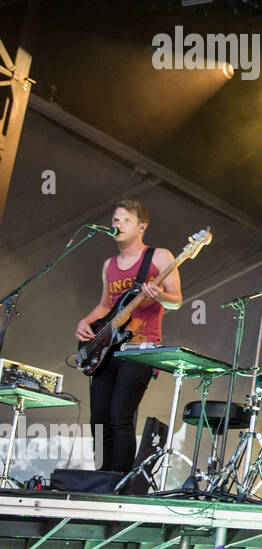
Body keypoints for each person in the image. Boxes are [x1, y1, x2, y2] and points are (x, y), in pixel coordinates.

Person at [74, 201, 182, 474]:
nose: (117, 224)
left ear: (141, 227)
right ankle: (103, 474)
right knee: (98, 418)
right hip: (106, 346)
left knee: (119, 415)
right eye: (115, 219)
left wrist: (160, 296)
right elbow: (105, 305)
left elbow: (177, 301)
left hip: (140, 347)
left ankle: (119, 480)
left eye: (124, 220)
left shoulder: (159, 257)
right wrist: (85, 322)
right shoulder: (109, 265)